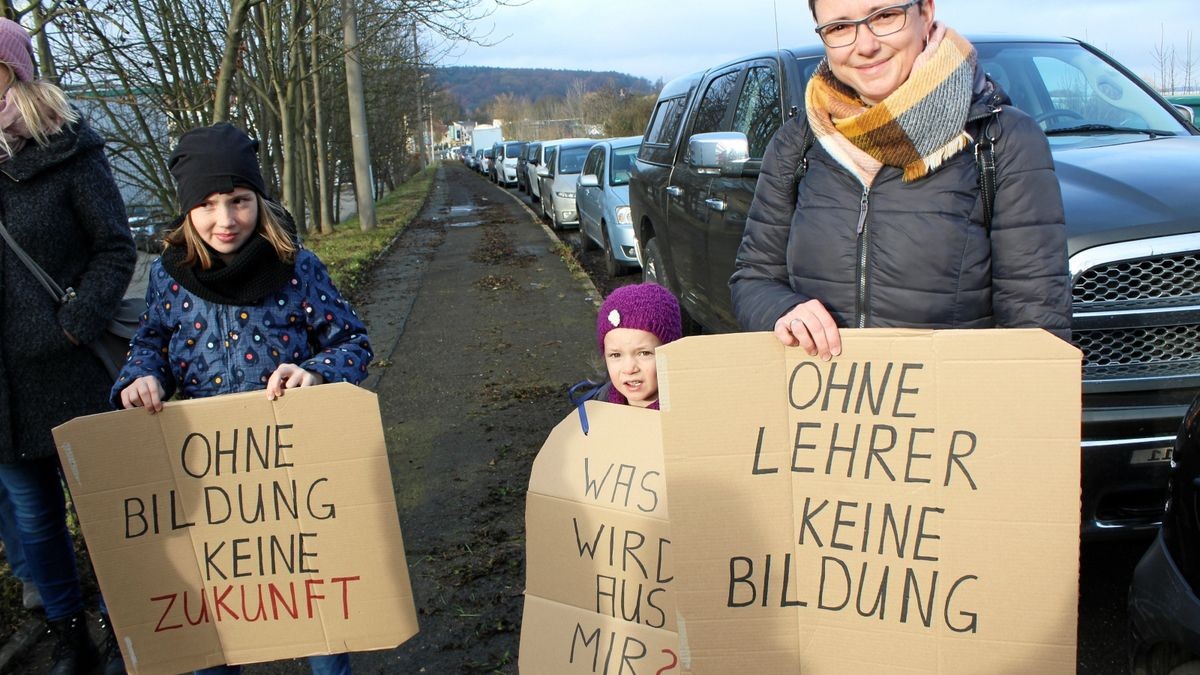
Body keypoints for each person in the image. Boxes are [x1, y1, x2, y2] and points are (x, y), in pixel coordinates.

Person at [112, 122, 371, 675]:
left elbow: (353, 341)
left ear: (260, 200)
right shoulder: (169, 276)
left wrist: (316, 373)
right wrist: (141, 376)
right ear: (186, 211)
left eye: (239, 201)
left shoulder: (298, 269)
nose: (225, 220)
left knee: (320, 626)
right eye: (207, 205)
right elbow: (150, 341)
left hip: (297, 479)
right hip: (208, 486)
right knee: (213, 630)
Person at [729, 0, 1071, 356]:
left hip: (955, 404)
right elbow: (754, 280)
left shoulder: (1001, 140)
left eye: (884, 16)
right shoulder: (796, 143)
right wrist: (782, 310)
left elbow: (1036, 329)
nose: (865, 45)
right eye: (840, 27)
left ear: (925, 13)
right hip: (830, 403)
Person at [0, 16, 136, 675]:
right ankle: (68, 637)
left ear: (15, 75)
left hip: (72, 369)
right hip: (3, 391)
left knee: (104, 513)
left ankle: (124, 629)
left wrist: (78, 319)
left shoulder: (69, 150)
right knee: (35, 526)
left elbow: (115, 246)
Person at [570, 283, 683, 411]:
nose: (629, 369)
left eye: (644, 353)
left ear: (672, 352)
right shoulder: (601, 403)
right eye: (616, 355)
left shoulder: (688, 410)